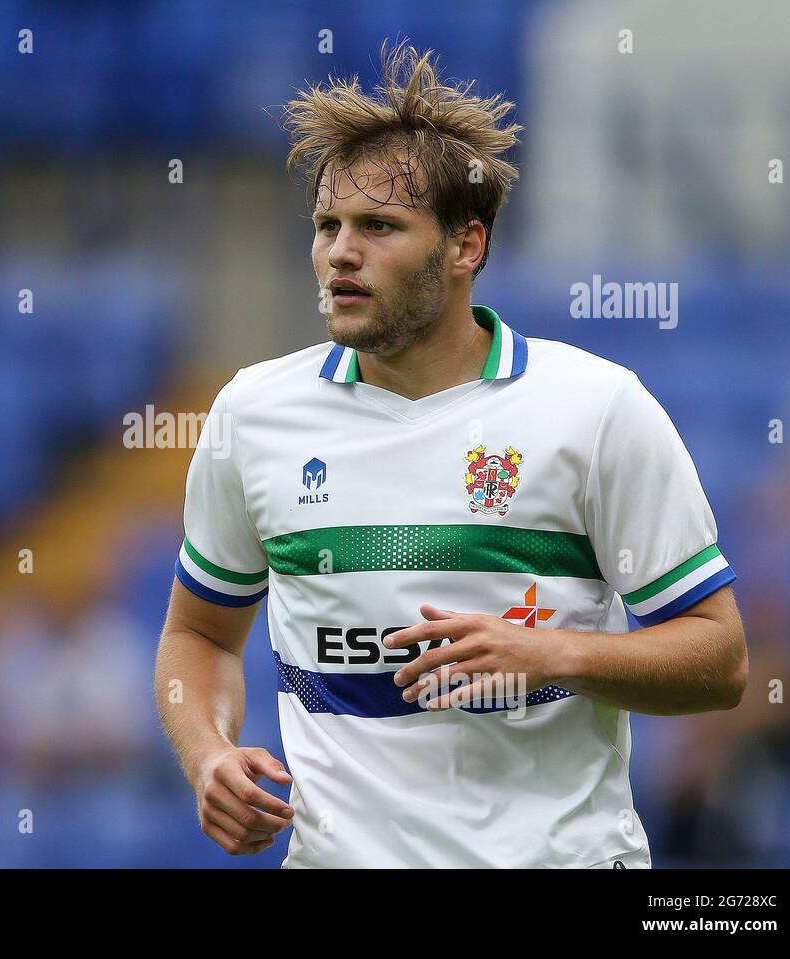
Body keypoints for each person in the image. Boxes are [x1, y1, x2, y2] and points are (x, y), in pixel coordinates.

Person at [154, 42, 747, 868]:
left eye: (379, 226)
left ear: (466, 246)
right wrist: (207, 753)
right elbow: (200, 636)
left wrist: (556, 653)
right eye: (328, 226)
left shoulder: (595, 408)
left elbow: (719, 660)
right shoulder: (252, 415)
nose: (339, 254)